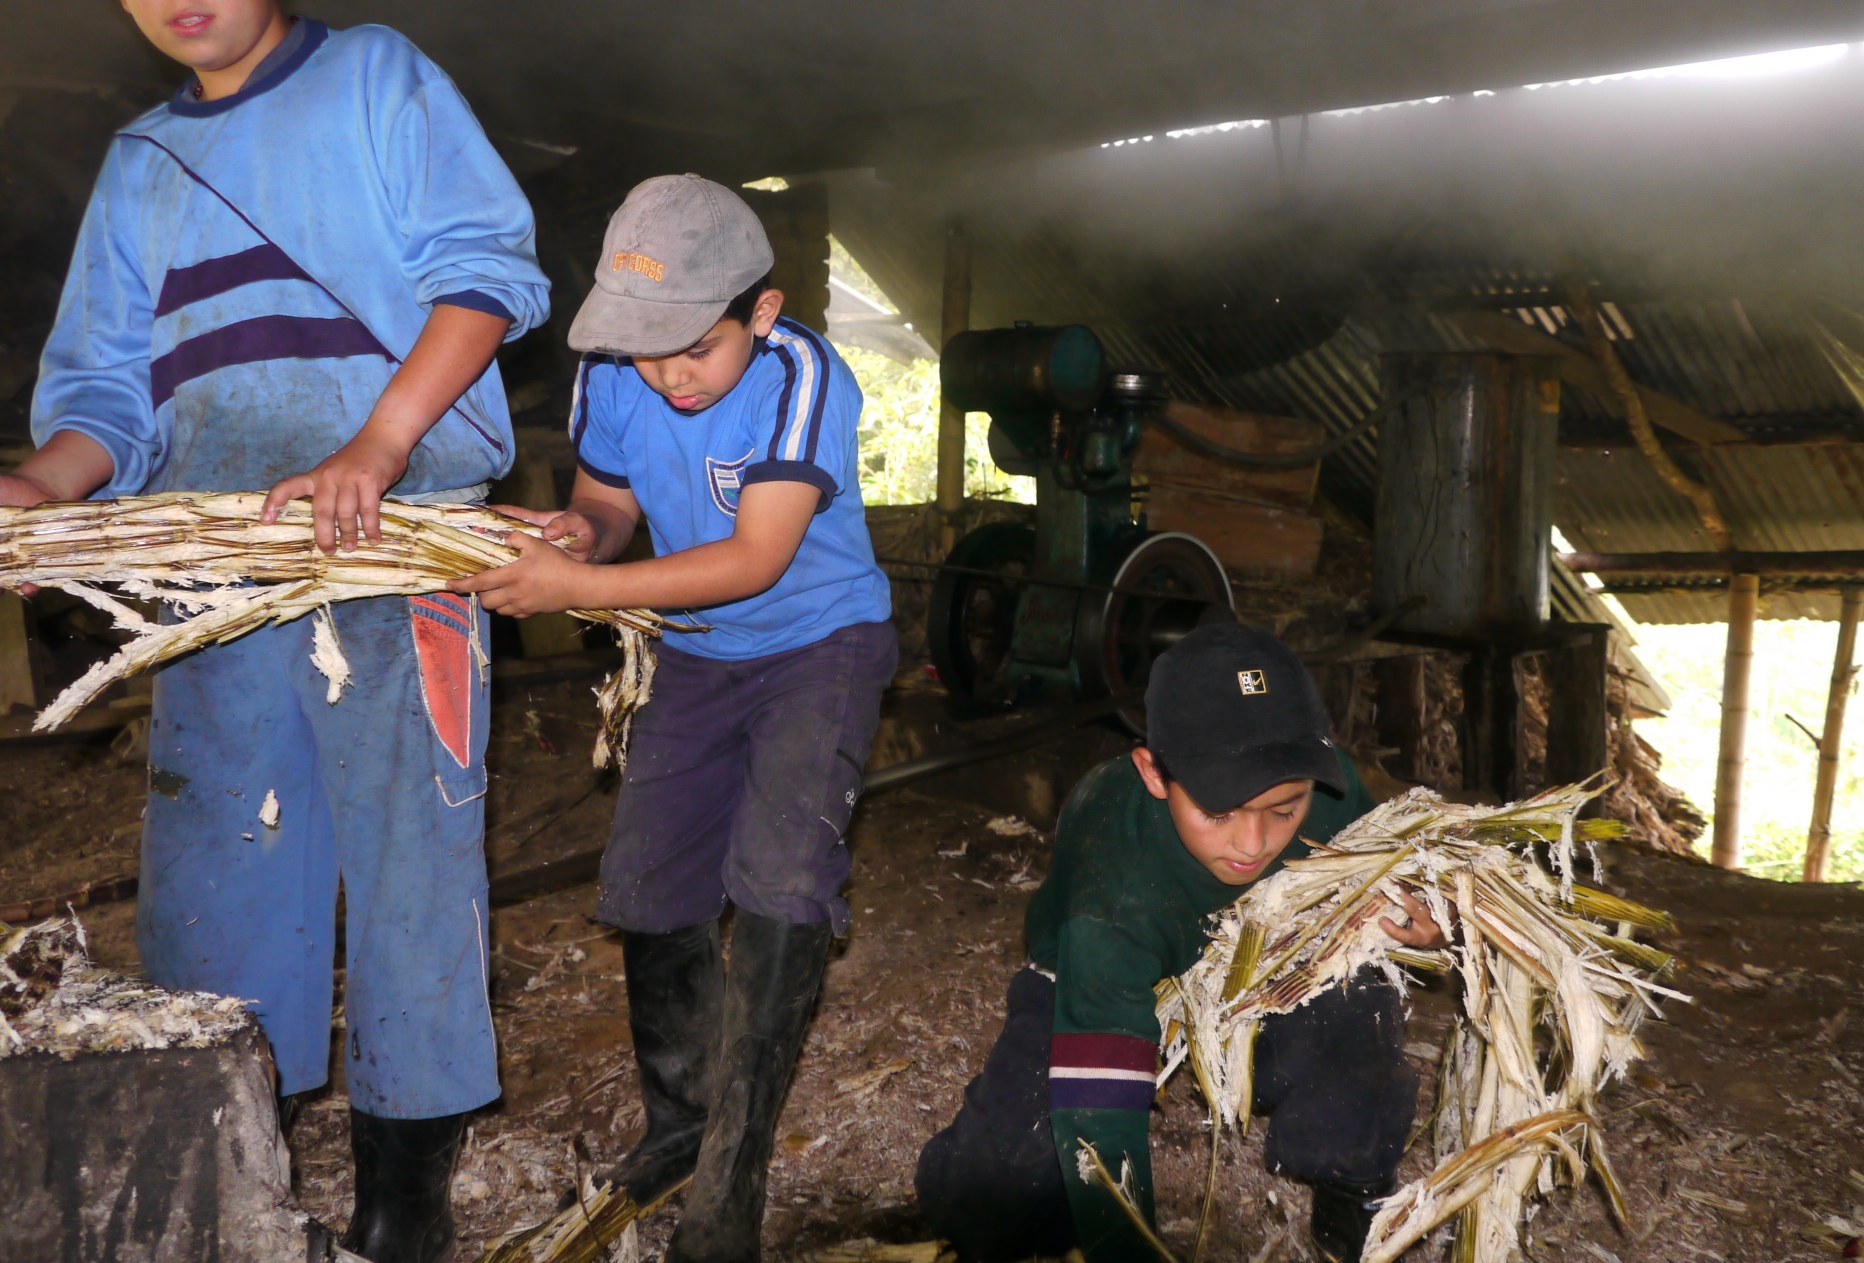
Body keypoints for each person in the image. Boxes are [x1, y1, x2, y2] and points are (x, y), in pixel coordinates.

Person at [16, 0, 550, 1263]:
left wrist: (375, 445)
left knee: (405, 857)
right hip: (227, 565)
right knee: (217, 853)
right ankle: (225, 1139)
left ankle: (404, 1190)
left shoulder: (378, 78)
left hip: (394, 541)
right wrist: (47, 486)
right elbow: (106, 387)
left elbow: (488, 273)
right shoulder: (141, 163)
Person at [453, 173, 898, 1261]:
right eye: (646, 348)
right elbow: (608, 502)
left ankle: (732, 1176)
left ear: (760, 310)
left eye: (692, 347)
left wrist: (578, 596)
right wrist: (580, 538)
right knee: (653, 885)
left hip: (818, 646)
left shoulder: (802, 375)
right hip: (693, 647)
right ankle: (680, 1124)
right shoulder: (612, 373)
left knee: (784, 881)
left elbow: (755, 558)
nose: (669, 374)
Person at [914, 622, 1445, 1263]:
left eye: (1283, 809)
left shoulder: (1329, 796)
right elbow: (1098, 1094)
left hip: (1260, 966)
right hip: (1099, 979)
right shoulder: (1112, 885)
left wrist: (1431, 931)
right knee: (995, 1201)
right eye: (1219, 814)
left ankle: (1352, 1180)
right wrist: (1127, 1246)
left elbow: (1413, 888)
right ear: (1154, 774)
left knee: (1357, 989)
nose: (1254, 844)